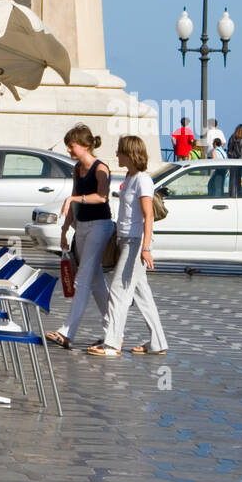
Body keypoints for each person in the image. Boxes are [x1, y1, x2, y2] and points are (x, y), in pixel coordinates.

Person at [87, 135, 168, 358]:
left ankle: (112, 343)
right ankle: (158, 342)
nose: (116, 155)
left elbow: (148, 215)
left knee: (118, 292)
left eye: (120, 151)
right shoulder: (130, 177)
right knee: (143, 296)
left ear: (130, 154)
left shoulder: (143, 180)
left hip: (135, 244)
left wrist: (146, 247)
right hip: (124, 240)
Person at [46, 124, 114, 350]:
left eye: (71, 146)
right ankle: (113, 331)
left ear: (84, 146)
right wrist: (65, 229)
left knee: (82, 279)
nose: (69, 150)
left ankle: (67, 333)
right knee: (96, 283)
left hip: (100, 226)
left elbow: (101, 197)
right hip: (82, 226)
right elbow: (73, 197)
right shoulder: (77, 169)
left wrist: (75, 201)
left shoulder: (100, 167)